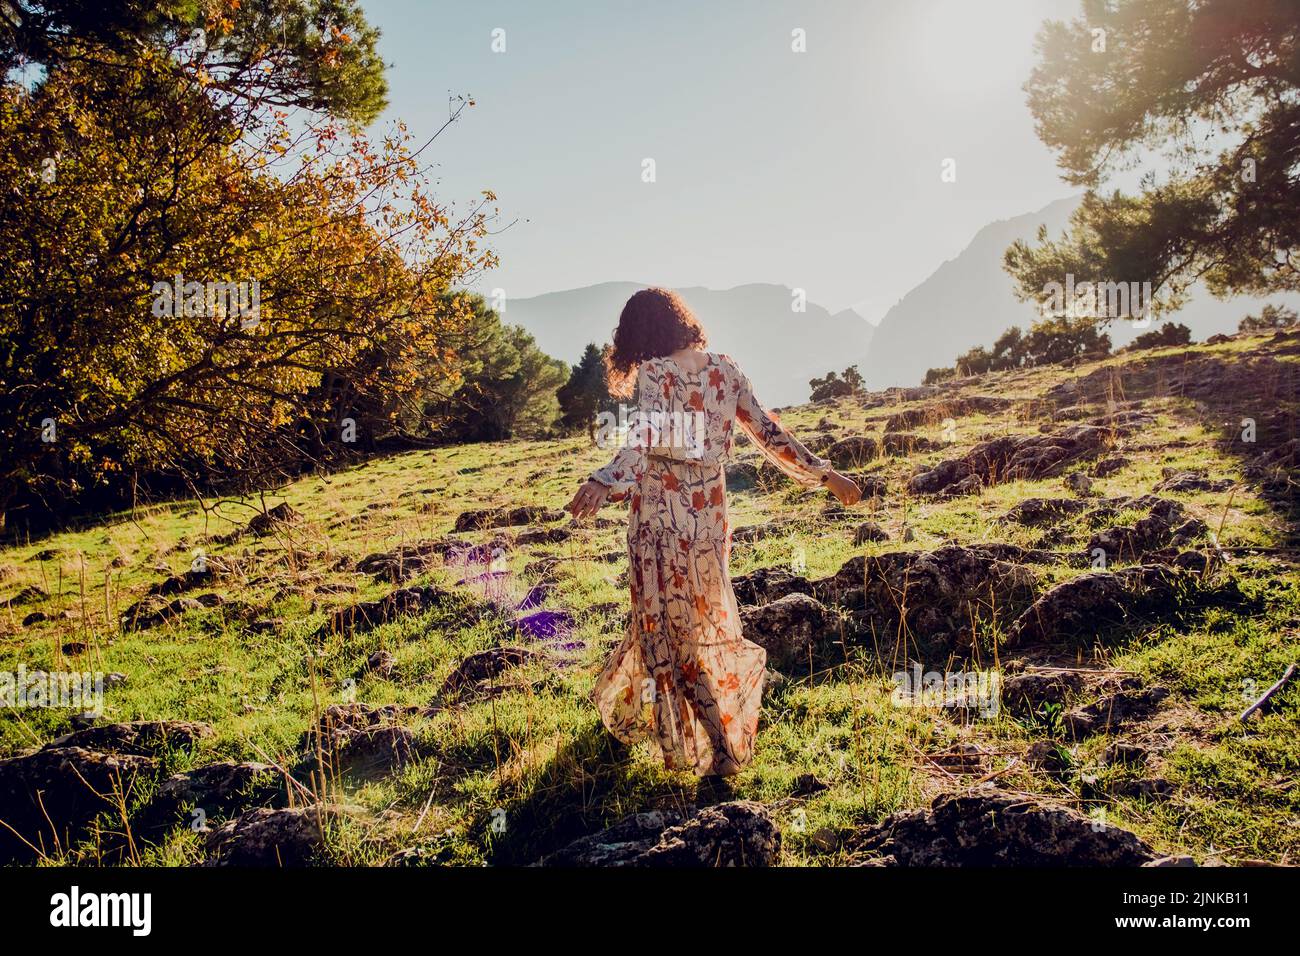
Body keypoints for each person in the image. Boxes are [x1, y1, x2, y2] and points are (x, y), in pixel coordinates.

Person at [567, 288, 861, 776]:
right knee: (687, 623)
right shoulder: (726, 368)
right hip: (709, 518)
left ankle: (720, 746)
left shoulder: (656, 373)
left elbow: (644, 437)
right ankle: (627, 716)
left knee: (669, 628)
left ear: (639, 333)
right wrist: (825, 474)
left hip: (663, 520)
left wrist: (604, 478)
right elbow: (769, 431)